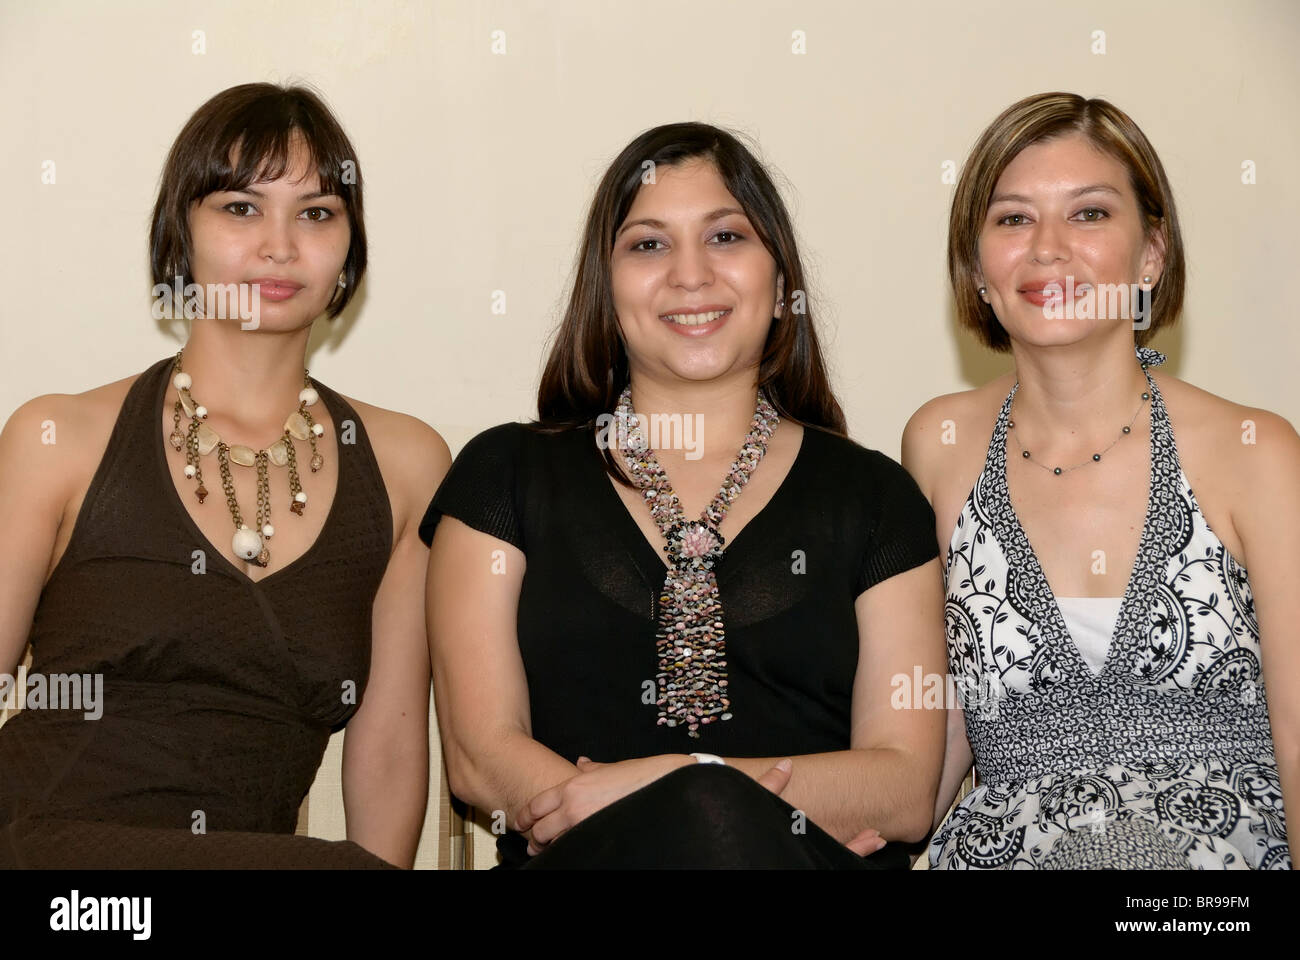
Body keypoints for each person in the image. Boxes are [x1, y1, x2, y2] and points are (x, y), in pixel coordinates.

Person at [423, 121, 945, 869]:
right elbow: (479, 757)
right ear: (605, 285)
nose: (690, 274)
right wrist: (681, 814)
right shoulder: (504, 474)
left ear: (779, 279)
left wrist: (691, 781)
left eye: (726, 237)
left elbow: (902, 788)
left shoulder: (876, 499)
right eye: (648, 244)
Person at [0, 83, 448, 868]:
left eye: (316, 213)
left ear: (350, 248)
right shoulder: (58, 436)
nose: (279, 245)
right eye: (240, 207)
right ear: (182, 232)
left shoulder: (408, 465)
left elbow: (389, 744)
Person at [904, 92, 1296, 869]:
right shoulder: (938, 445)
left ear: (1151, 254)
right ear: (977, 265)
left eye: (1089, 214)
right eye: (1013, 219)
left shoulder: (1256, 451)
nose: (1048, 250)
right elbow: (938, 735)